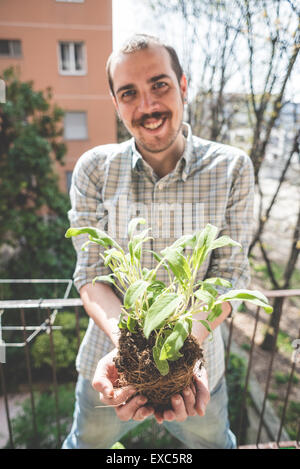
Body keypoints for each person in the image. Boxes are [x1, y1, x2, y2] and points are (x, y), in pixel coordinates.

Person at [62, 34, 254, 449]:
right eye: (129, 93)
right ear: (116, 103)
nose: (147, 106)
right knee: (86, 445)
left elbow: (229, 276)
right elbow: (91, 275)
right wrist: (130, 352)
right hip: (111, 362)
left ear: (183, 86)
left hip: (198, 368)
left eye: (159, 85)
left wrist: (181, 349)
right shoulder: (93, 169)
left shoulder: (232, 167)